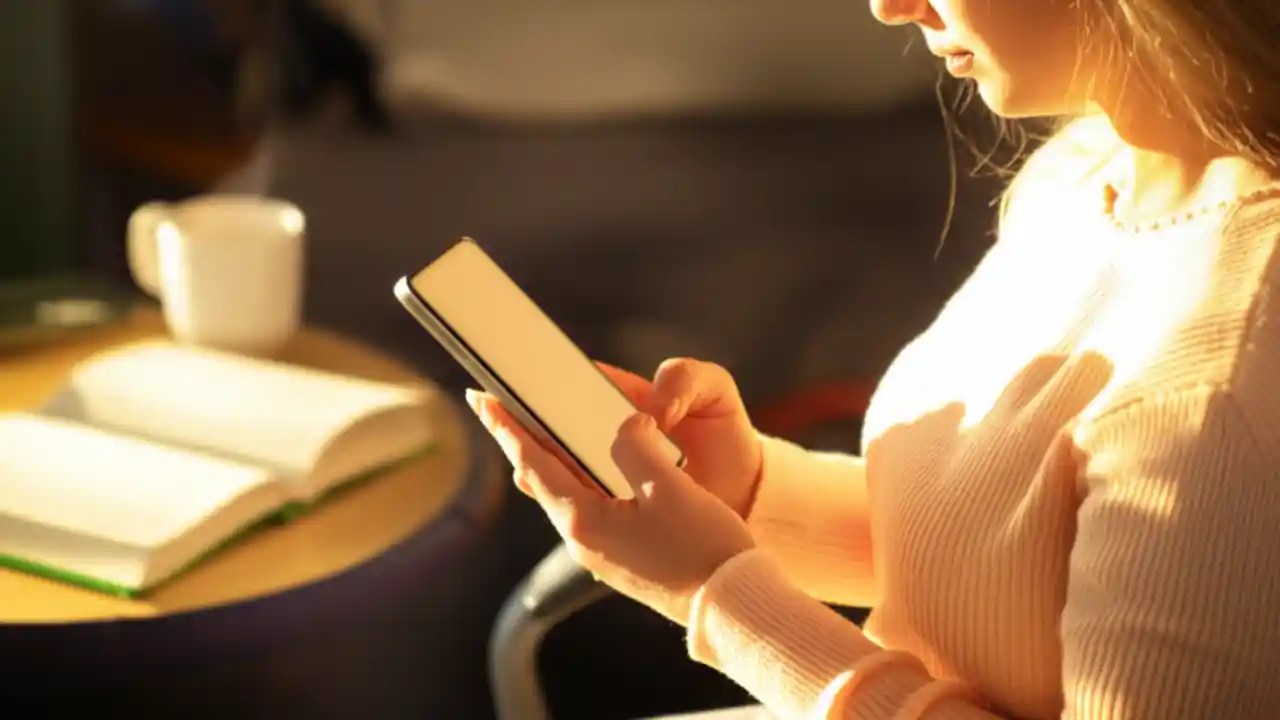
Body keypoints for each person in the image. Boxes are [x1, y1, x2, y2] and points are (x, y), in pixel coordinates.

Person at [465, 0, 1280, 717]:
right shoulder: (1090, 168)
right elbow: (1003, 565)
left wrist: (716, 592)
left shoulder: (1217, 393)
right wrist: (750, 494)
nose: (889, 6)